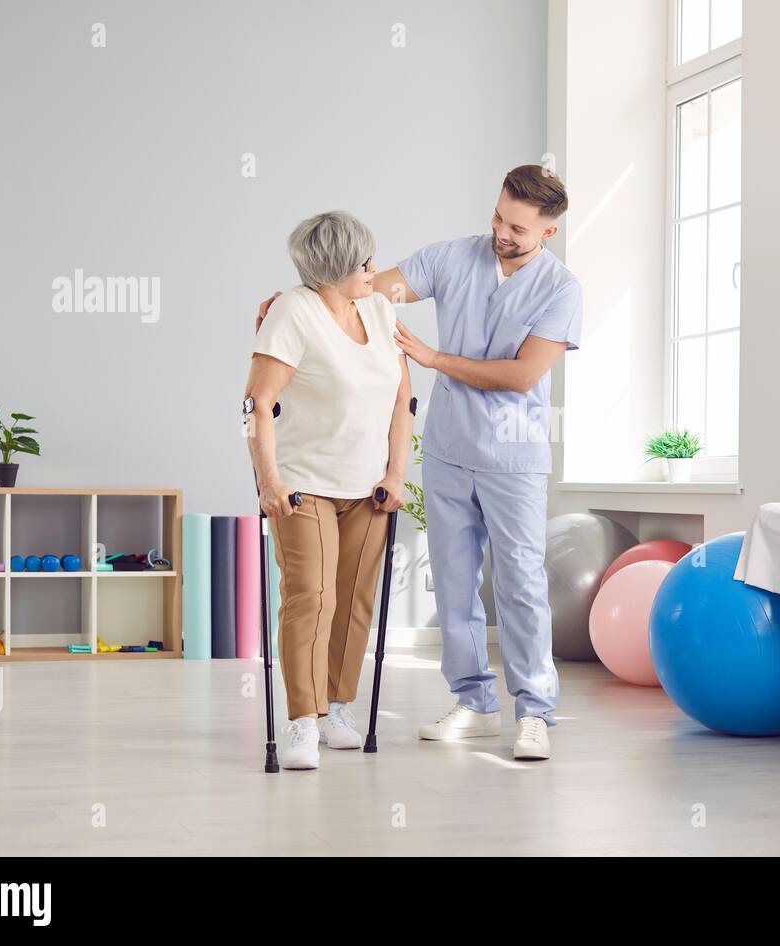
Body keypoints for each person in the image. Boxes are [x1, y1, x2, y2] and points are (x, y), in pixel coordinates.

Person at [258, 166, 582, 761]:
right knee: (455, 586)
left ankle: (533, 710)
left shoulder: (561, 290)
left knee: (520, 585)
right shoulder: (453, 258)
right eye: (497, 216)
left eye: (517, 227)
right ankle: (474, 703)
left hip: (514, 458)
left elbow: (522, 375)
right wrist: (296, 299)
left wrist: (433, 358)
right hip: (450, 453)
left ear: (549, 232)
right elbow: (364, 286)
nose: (500, 232)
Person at [245, 210, 412, 770]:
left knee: (353, 602)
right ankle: (302, 723)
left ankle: (338, 708)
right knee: (310, 600)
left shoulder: (380, 307)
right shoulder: (292, 311)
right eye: (363, 261)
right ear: (335, 267)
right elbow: (259, 404)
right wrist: (269, 481)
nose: (373, 267)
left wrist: (396, 474)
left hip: (370, 488)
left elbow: (400, 400)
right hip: (304, 485)